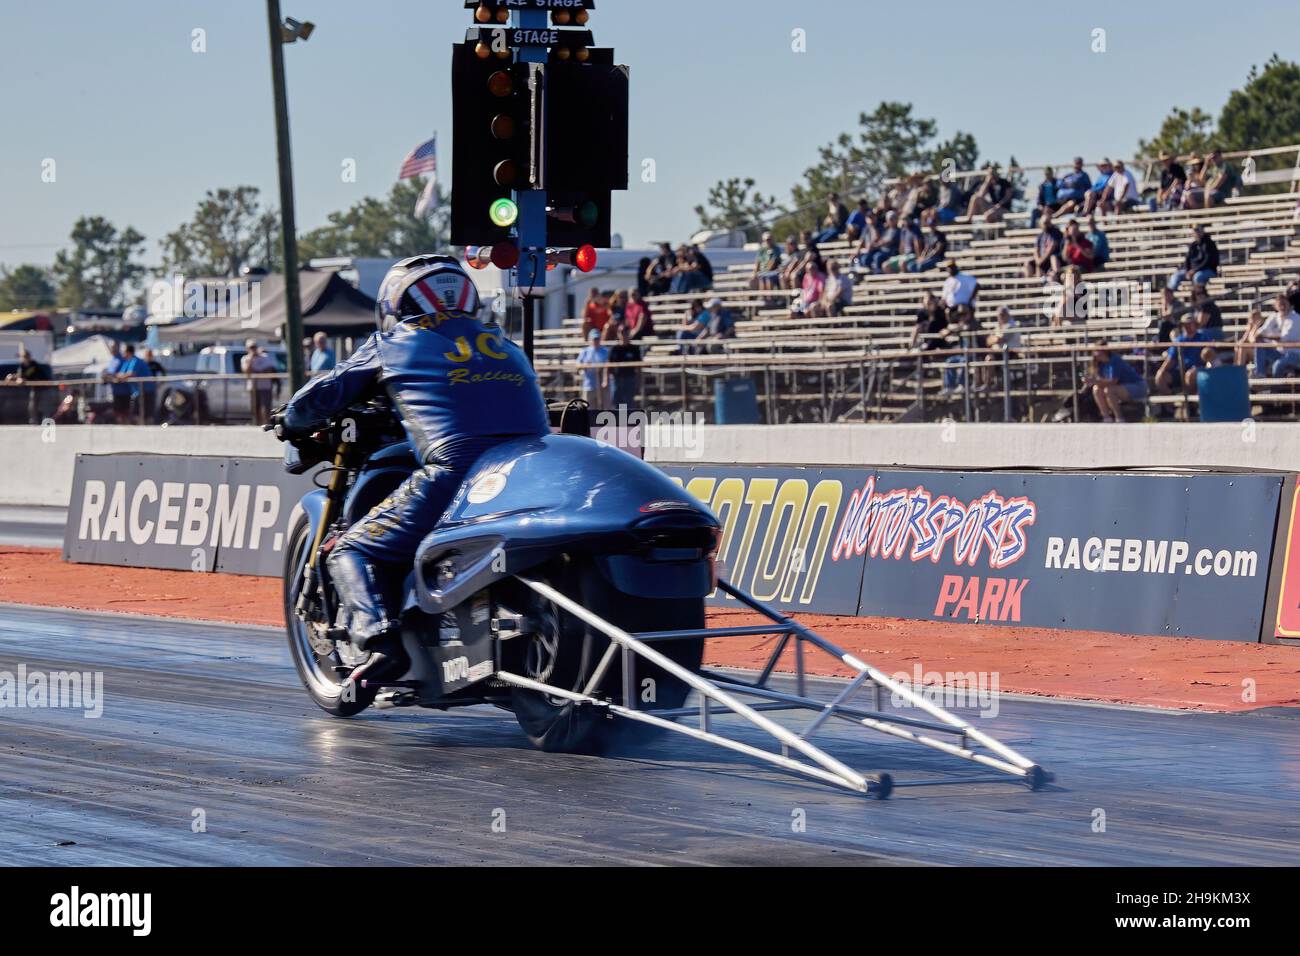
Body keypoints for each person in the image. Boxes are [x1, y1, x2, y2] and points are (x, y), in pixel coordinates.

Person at [273, 255, 550, 690]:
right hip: (528, 472)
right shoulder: (503, 342)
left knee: (350, 550)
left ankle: (381, 641)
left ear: (395, 304)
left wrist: (289, 418)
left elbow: (326, 392)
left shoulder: (395, 340)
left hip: (456, 471)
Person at [1085, 345, 1148, 422]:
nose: (1094, 354)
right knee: (1096, 389)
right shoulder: (1101, 364)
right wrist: (1091, 381)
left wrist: (1095, 381)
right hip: (1121, 388)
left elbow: (1114, 381)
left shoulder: (1115, 360)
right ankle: (1106, 418)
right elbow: (1101, 383)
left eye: (1097, 351)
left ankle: (1119, 418)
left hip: (1138, 386)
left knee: (1110, 390)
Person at [1155, 314, 1213, 393]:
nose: (1188, 326)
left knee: (1190, 375)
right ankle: (1172, 402)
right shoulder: (1179, 340)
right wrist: (1162, 370)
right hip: (1179, 371)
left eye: (1190, 323)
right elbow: (1171, 359)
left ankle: (1191, 402)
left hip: (1198, 370)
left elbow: (1209, 354)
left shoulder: (1203, 338)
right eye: (1185, 324)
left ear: (1195, 324)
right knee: (1161, 377)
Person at [1165, 224, 1219, 307]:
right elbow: (1187, 260)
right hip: (1193, 270)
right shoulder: (1193, 245)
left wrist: (1194, 271)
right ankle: (1169, 297)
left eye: (1198, 231)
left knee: (1198, 277)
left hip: (1208, 270)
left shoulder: (1209, 244)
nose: (1197, 233)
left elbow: (1207, 261)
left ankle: (1196, 298)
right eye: (1195, 231)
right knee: (1176, 276)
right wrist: (1187, 271)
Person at [1252, 292, 1300, 377]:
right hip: (1280, 352)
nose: (1282, 306)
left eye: (1284, 303)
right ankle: (1260, 374)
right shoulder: (1273, 317)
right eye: (1280, 304)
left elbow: (1284, 337)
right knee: (1260, 344)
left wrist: (1263, 336)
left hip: (1295, 353)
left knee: (1277, 365)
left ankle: (1275, 388)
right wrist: (1257, 333)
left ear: (1289, 304)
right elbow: (1261, 332)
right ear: (1275, 306)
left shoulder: (1296, 318)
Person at [4, 344, 52, 424]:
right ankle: (34, 423)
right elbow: (20, 375)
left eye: (25, 357)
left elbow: (27, 375)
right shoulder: (22, 366)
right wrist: (12, 376)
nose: (23, 359)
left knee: (44, 407)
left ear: (28, 357)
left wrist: (21, 378)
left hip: (44, 388)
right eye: (22, 357)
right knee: (32, 407)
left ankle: (46, 423)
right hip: (34, 389)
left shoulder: (34, 365)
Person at [241, 339, 278, 426]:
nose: (253, 349)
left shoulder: (265, 357)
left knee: (266, 406)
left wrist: (258, 372)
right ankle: (257, 424)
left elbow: (269, 370)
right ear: (247, 349)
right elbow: (246, 372)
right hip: (253, 387)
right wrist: (250, 360)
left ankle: (266, 423)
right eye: (251, 347)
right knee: (255, 407)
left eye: (254, 347)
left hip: (265, 386)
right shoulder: (245, 359)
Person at [606, 324, 641, 409]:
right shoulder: (614, 349)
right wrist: (606, 379)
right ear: (618, 334)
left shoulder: (634, 349)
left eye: (626, 332)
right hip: (616, 379)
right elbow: (608, 365)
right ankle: (617, 420)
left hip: (630, 378)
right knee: (616, 401)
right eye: (622, 332)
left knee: (629, 401)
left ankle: (629, 420)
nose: (624, 335)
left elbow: (639, 366)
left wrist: (638, 380)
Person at [1024, 210, 1063, 280]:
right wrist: (1038, 260)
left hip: (1051, 259)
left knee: (1053, 258)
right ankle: (1029, 285)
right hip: (1041, 259)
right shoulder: (1040, 235)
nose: (1045, 225)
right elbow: (1036, 249)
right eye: (1044, 223)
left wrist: (1041, 260)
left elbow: (1052, 247)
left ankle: (1057, 277)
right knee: (1028, 263)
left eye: (1047, 222)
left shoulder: (1056, 232)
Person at [102, 341, 133, 421]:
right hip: (115, 391)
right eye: (111, 347)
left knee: (124, 413)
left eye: (114, 347)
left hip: (124, 391)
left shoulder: (122, 360)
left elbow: (123, 374)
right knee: (117, 412)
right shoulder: (112, 360)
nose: (112, 349)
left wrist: (112, 376)